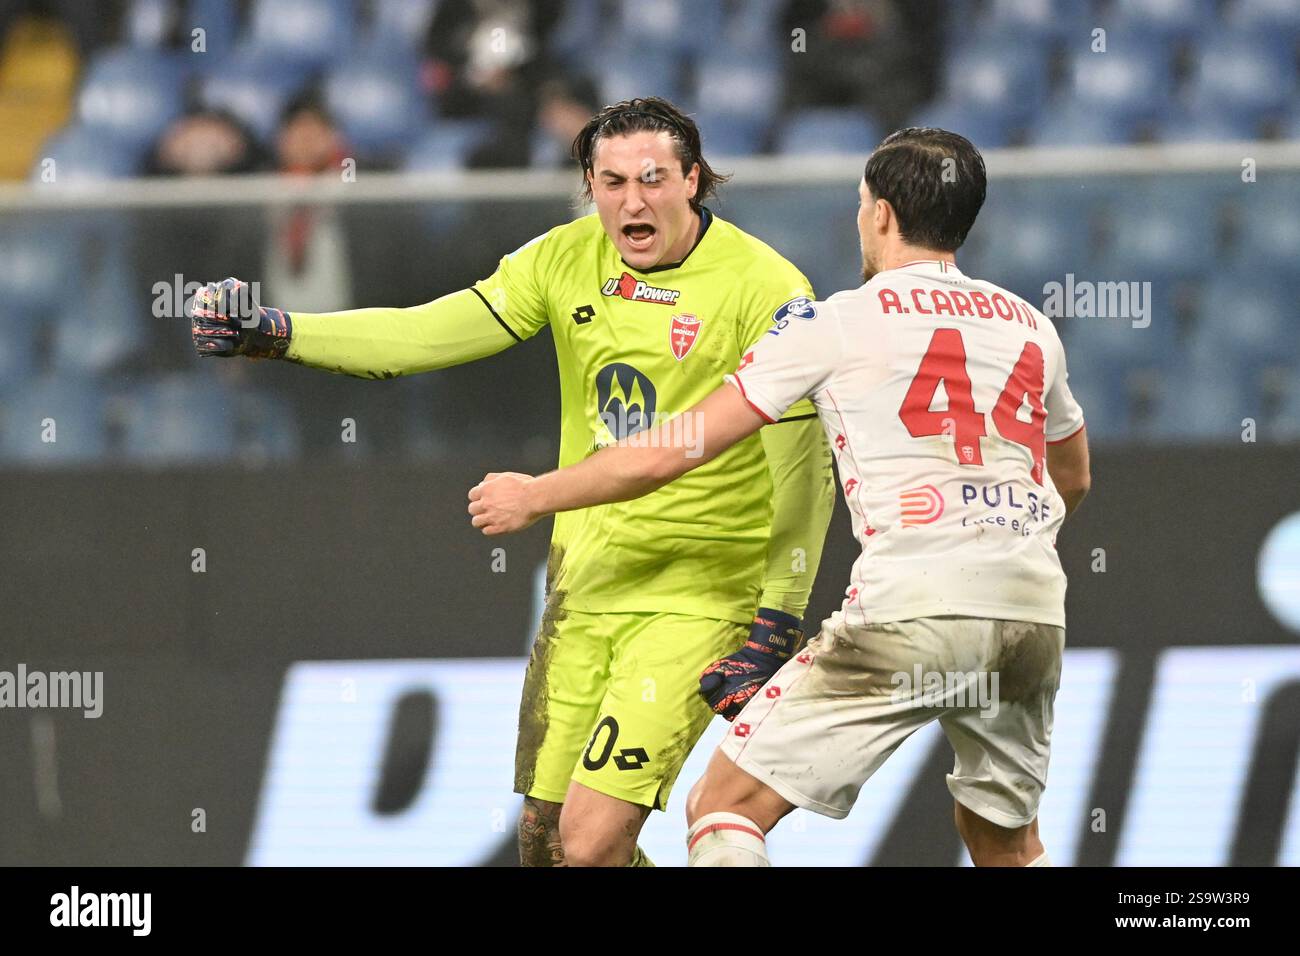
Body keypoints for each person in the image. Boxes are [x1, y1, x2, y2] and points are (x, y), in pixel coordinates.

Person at [188, 96, 835, 867]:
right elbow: (427, 331)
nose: (633, 201)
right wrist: (285, 334)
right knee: (548, 845)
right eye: (612, 181)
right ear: (589, 186)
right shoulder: (564, 258)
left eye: (655, 179)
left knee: (592, 841)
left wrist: (779, 617)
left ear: (693, 180)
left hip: (698, 592)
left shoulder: (766, 287)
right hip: (587, 583)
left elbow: (804, 461)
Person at [468, 127, 1092, 867]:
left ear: (882, 214)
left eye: (862, 204)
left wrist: (541, 493)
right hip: (1031, 615)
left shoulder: (833, 324)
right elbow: (1072, 477)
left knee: (724, 807)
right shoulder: (1031, 327)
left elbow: (676, 448)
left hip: (910, 607)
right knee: (1005, 845)